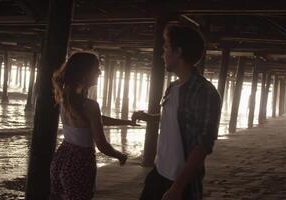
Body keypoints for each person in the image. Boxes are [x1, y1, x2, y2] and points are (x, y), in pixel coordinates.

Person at [133, 25, 222, 200]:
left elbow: (203, 144)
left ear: (178, 52)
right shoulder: (172, 87)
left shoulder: (204, 92)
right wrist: (150, 118)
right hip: (159, 171)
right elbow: (177, 120)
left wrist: (177, 188)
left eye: (166, 47)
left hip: (180, 180)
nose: (162, 54)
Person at [49, 52, 136, 200]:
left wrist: (126, 122)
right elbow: (102, 145)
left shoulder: (65, 97)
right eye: (97, 68)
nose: (100, 72)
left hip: (61, 157)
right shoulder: (90, 106)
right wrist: (120, 156)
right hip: (80, 162)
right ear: (84, 73)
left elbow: (95, 120)